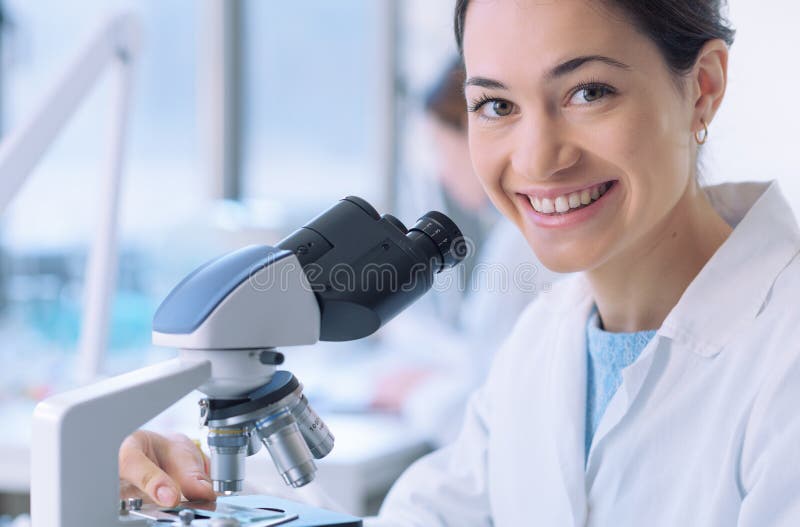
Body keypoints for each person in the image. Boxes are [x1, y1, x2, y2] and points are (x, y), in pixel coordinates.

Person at [119, 0, 800, 524]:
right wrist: (188, 488)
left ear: (703, 88)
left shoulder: (783, 354)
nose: (537, 158)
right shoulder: (544, 343)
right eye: (496, 105)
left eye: (588, 91)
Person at [368, 57, 561, 446]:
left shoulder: (521, 242)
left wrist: (417, 394)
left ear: (474, 133)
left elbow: (490, 414)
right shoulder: (518, 234)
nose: (441, 173)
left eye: (440, 148)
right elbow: (489, 357)